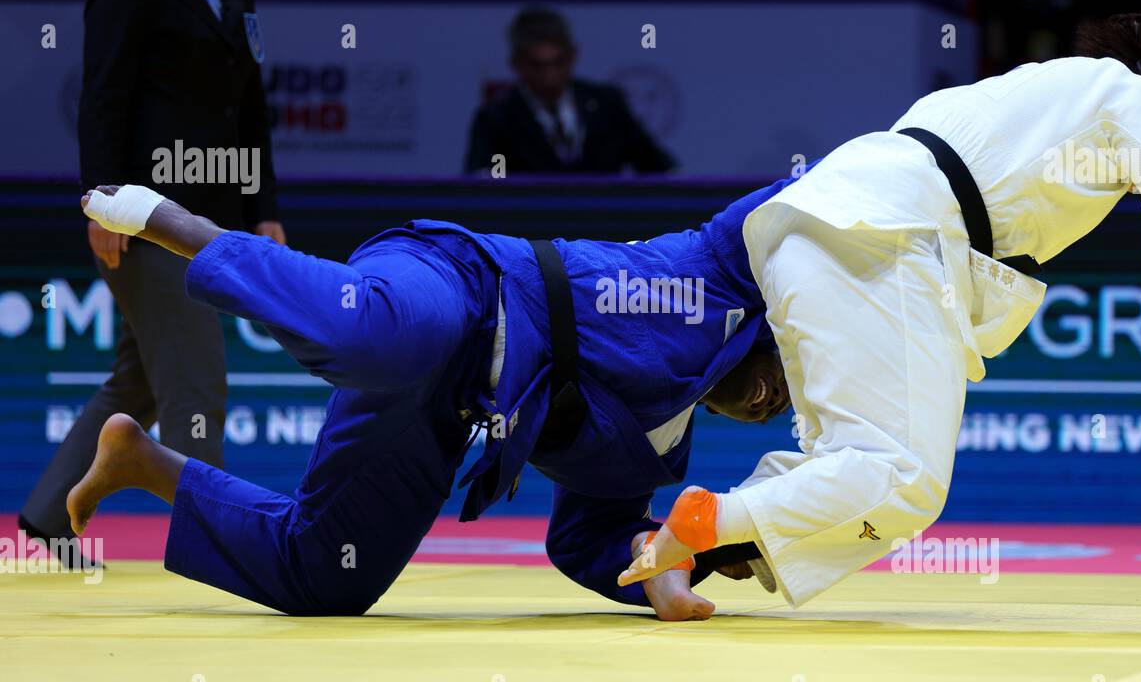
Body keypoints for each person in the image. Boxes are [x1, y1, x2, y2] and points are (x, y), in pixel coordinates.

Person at [618, 14, 1141, 607]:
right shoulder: (1134, 95)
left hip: (807, 229)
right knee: (906, 476)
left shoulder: (1026, 92)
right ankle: (717, 519)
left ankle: (705, 549)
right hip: (889, 235)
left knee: (852, 457)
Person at [68, 177, 791, 621]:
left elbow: (583, 541)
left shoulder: (659, 449)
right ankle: (182, 226)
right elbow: (835, 184)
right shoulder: (718, 266)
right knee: (370, 335)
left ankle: (143, 460)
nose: (775, 399)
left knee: (327, 577)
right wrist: (913, 141)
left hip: (441, 406)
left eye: (778, 410)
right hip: (458, 282)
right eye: (787, 370)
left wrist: (659, 558)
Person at [19, 0, 282, 565]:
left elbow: (249, 114)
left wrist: (264, 210)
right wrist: (101, 203)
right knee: (197, 381)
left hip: (213, 219)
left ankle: (48, 520)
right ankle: (223, 547)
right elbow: (103, 100)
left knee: (137, 377)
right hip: (144, 215)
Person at [464, 8, 677, 174]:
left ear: (573, 55)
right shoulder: (496, 118)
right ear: (516, 64)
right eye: (537, 66)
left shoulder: (607, 105)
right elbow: (484, 184)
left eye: (558, 62)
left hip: (605, 226)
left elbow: (659, 169)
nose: (550, 75)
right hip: (525, 227)